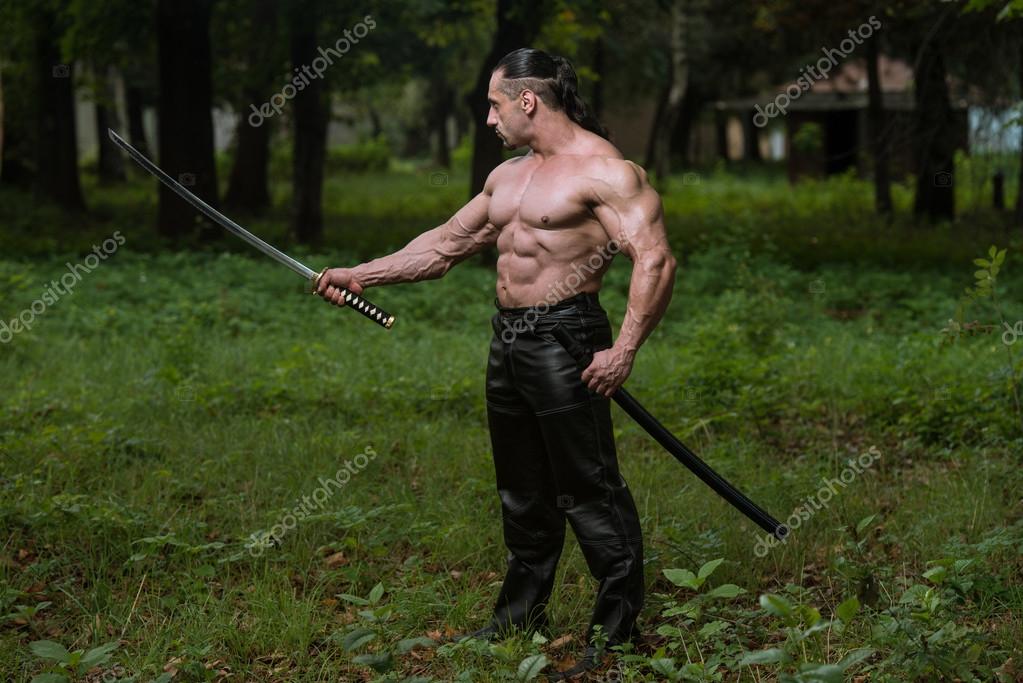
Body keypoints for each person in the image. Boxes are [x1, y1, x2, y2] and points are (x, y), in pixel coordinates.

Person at [316, 47, 676, 679]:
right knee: (523, 489)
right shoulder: (509, 176)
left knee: (590, 490)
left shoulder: (608, 171)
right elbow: (446, 244)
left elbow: (655, 260)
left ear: (528, 100)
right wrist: (361, 274)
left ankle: (615, 637)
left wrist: (622, 350)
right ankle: (519, 618)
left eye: (494, 104)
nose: (489, 119)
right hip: (509, 340)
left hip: (569, 338)